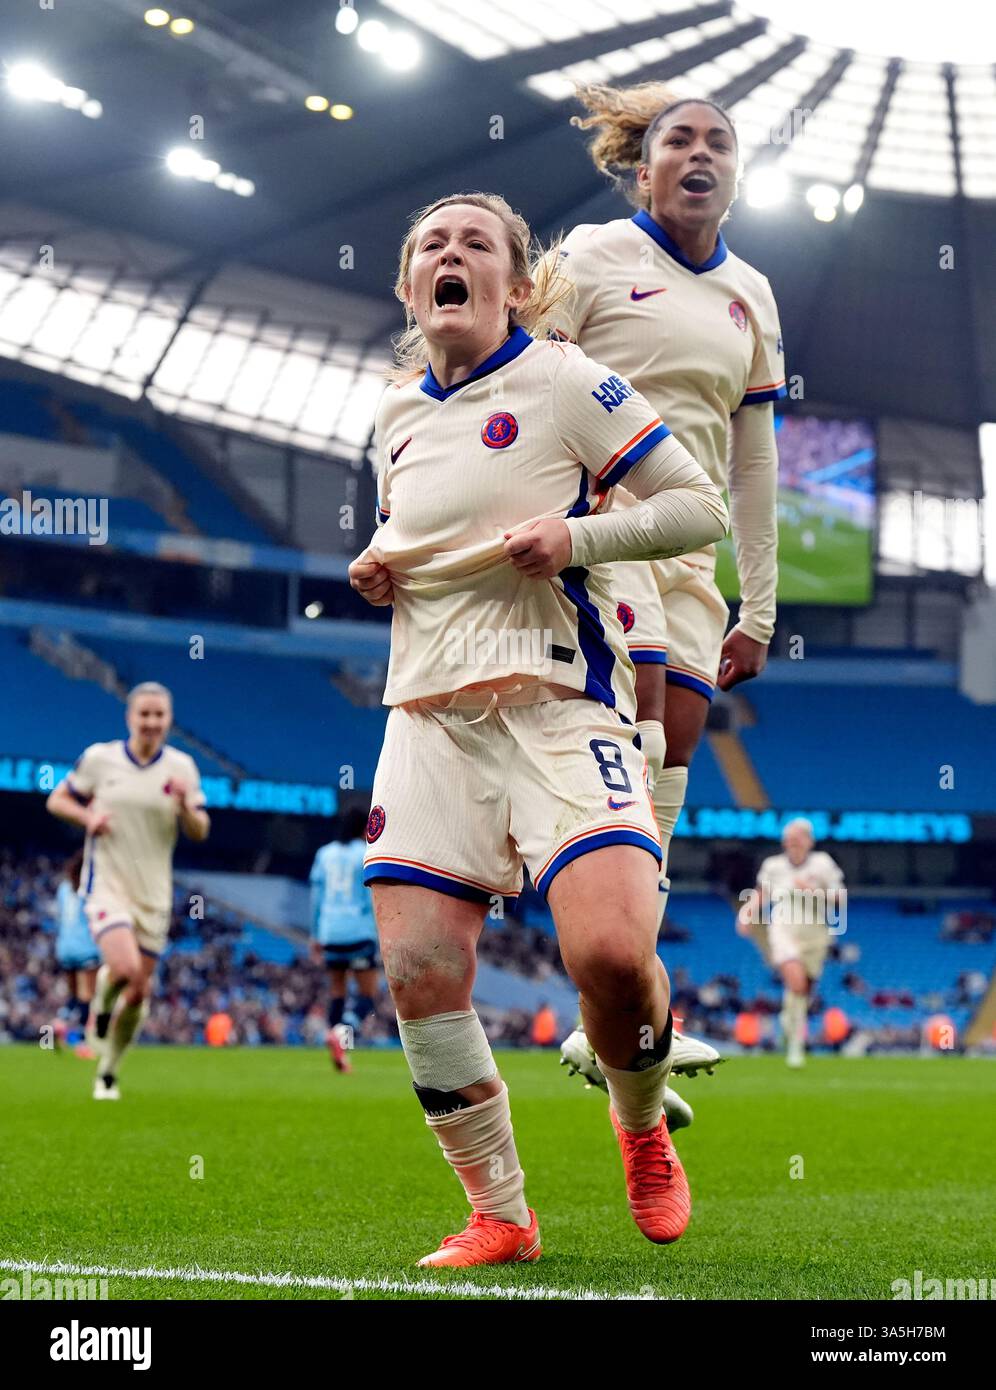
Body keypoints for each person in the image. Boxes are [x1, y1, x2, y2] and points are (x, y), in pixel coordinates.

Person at [349, 190, 728, 1266]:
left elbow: (694, 505)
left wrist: (573, 536)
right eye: (431, 242)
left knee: (611, 954)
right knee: (420, 972)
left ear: (518, 286)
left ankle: (642, 1125)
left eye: (476, 243)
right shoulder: (393, 415)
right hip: (427, 714)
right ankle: (501, 1214)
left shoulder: (566, 380)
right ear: (409, 287)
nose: (450, 254)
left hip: (561, 703)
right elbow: (426, 538)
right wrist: (382, 569)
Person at [550, 83, 786, 1080]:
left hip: (692, 550)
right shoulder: (592, 258)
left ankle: (621, 993)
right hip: (604, 528)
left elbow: (755, 459)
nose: (700, 152)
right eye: (677, 139)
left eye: (718, 142)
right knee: (642, 719)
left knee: (677, 741)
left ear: (735, 173)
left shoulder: (753, 297)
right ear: (640, 170)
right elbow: (524, 377)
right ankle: (603, 1001)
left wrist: (761, 605)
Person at [45, 682, 209, 1098]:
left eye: (159, 715)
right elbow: (57, 799)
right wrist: (88, 818)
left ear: (169, 719)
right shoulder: (100, 760)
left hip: (153, 894)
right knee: (123, 969)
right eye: (144, 714)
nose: (152, 722)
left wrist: (186, 807)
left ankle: (108, 1071)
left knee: (139, 991)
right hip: (107, 885)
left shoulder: (181, 767)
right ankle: (99, 1007)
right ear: (130, 717)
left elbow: (201, 830)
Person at [737, 819, 845, 1067]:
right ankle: (796, 1045)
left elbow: (839, 899)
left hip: (816, 933)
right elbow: (761, 893)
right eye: (788, 841)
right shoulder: (773, 866)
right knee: (796, 982)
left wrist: (812, 891)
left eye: (797, 840)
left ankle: (789, 1018)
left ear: (809, 841)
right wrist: (747, 913)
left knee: (804, 989)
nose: (792, 845)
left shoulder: (823, 864)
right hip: (784, 930)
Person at [309, 807, 381, 1072]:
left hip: (330, 932)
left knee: (337, 992)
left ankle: (338, 1055)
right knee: (367, 996)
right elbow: (370, 898)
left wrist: (316, 935)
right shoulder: (364, 853)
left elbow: (316, 898)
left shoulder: (324, 854)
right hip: (358, 932)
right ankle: (342, 1033)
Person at [50, 850, 99, 1059]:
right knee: (88, 997)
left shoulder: (63, 889)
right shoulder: (89, 890)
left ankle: (58, 1023)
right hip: (85, 947)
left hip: (65, 947)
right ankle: (82, 1043)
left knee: (74, 996)